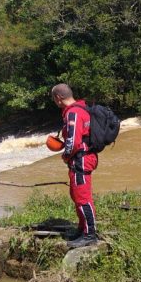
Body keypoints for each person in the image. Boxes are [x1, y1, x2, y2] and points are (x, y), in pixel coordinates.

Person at [51, 83, 98, 248]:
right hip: (83, 157)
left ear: (58, 98)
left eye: (54, 100)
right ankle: (82, 229)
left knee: (82, 197)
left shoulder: (73, 113)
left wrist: (65, 156)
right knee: (76, 194)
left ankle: (90, 234)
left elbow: (74, 142)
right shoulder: (82, 108)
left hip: (81, 160)